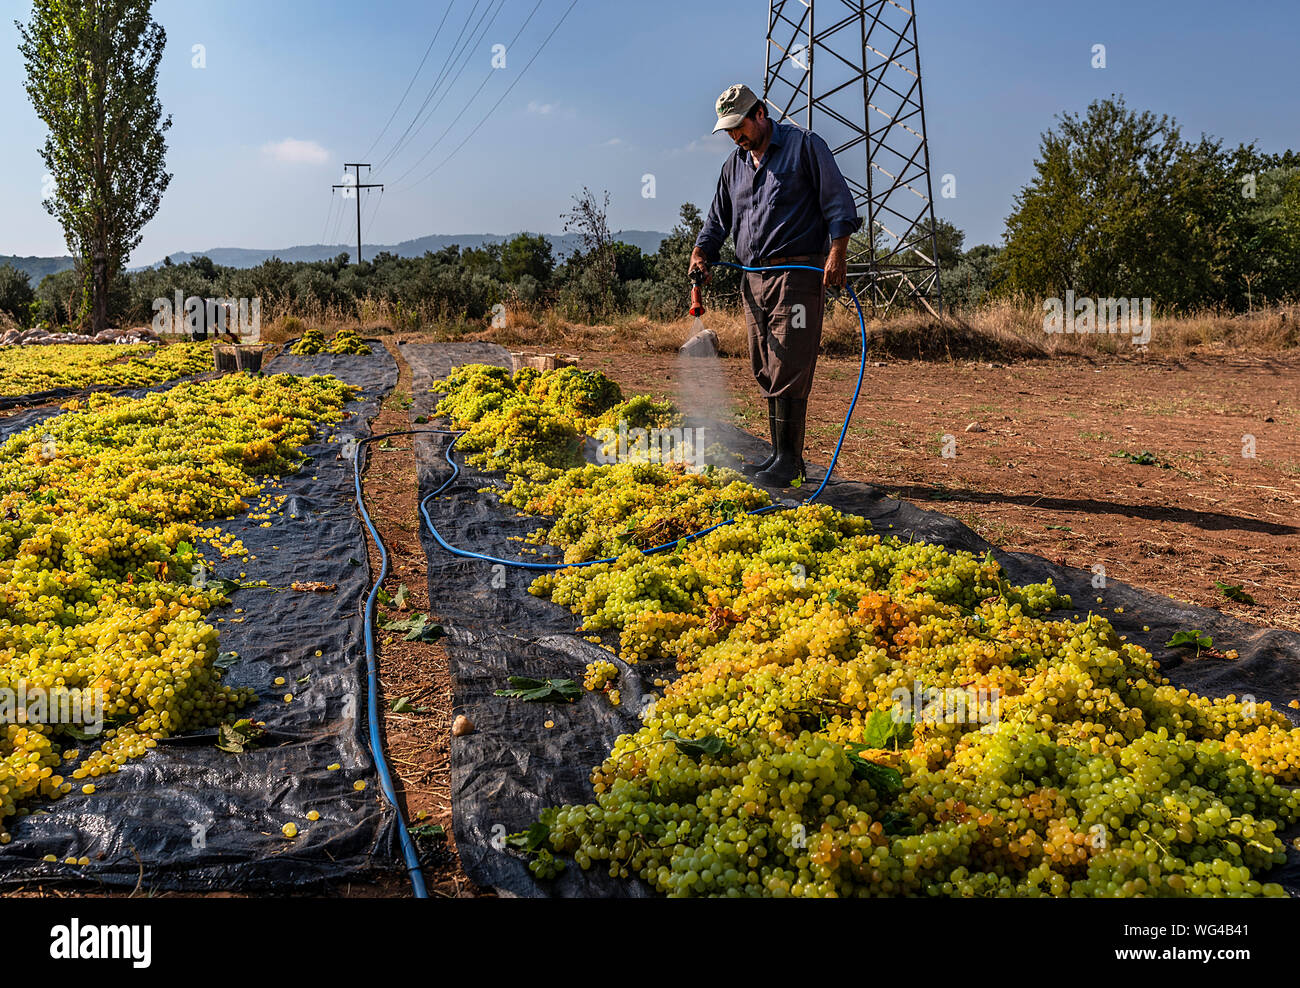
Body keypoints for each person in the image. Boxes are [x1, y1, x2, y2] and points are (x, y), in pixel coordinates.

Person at [690, 83, 862, 487]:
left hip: (797, 274)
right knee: (764, 363)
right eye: (729, 130)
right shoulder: (734, 166)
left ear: (761, 113)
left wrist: (837, 253)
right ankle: (777, 455)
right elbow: (717, 221)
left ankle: (790, 461)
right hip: (753, 277)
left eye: (740, 126)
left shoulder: (805, 147)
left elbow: (839, 203)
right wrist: (701, 252)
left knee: (789, 360)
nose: (736, 136)